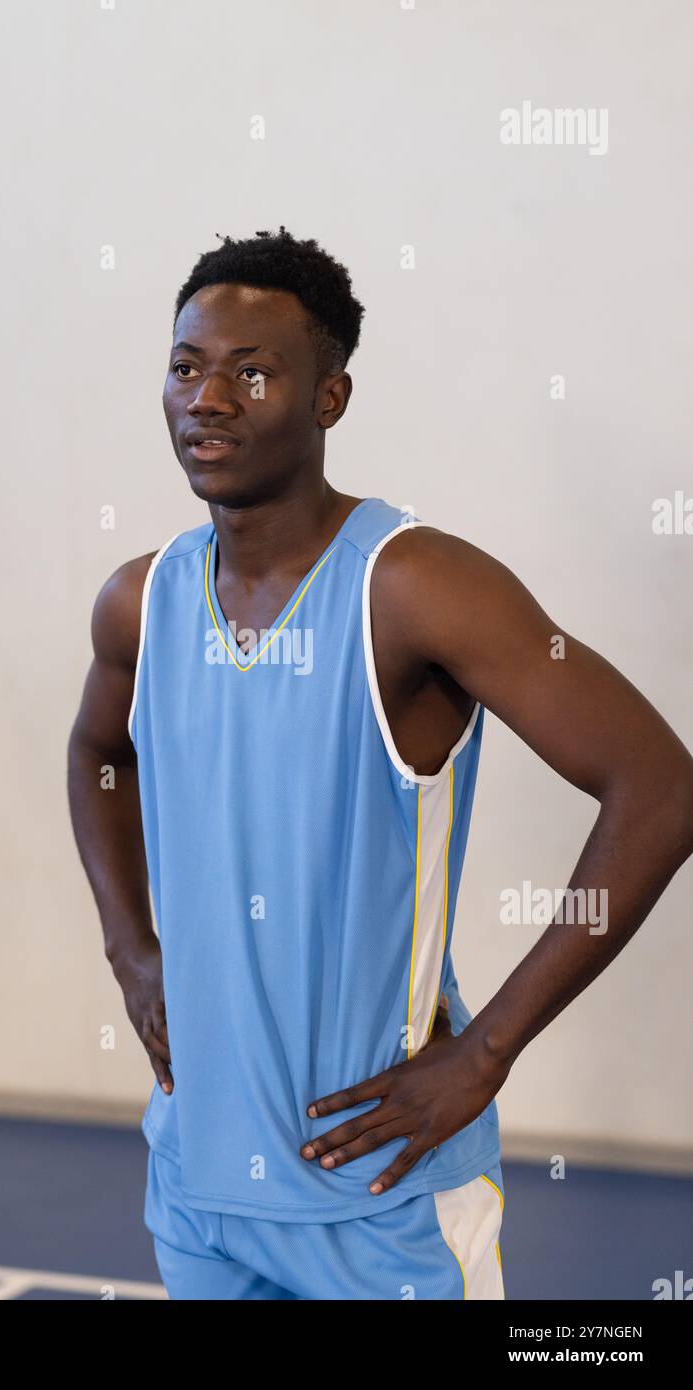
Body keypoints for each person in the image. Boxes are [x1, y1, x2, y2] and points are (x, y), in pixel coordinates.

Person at [67, 227, 693, 1300]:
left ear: (330, 398)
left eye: (251, 371)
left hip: (383, 1196)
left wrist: (487, 1049)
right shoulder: (143, 597)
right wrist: (132, 949)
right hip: (201, 1184)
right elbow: (95, 752)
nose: (206, 397)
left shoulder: (413, 586)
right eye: (186, 366)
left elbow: (661, 786)